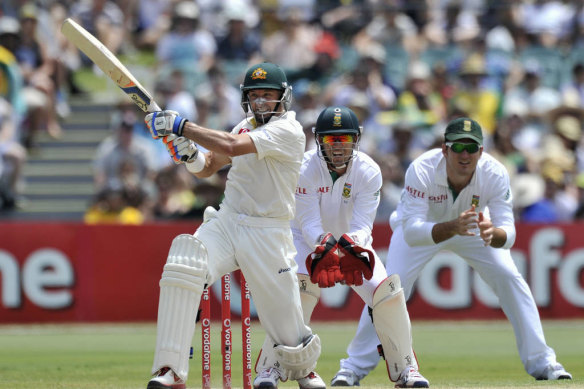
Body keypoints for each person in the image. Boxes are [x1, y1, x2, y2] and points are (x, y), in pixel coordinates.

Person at [333, 117, 573, 384]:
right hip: (425, 230)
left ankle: (543, 362)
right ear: (445, 149)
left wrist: (494, 235)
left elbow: (509, 232)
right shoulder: (422, 168)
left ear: (481, 151)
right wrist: (451, 227)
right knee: (388, 290)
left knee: (510, 277)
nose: (465, 155)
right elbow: (412, 231)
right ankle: (352, 368)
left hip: (472, 228)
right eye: (458, 147)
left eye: (471, 148)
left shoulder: (495, 173)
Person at [143, 62, 320, 389]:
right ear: (246, 99)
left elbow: (228, 146)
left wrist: (182, 127)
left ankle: (304, 369)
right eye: (256, 96)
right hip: (227, 221)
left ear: (284, 98)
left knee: (291, 337)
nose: (262, 102)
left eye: (269, 95)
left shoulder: (289, 130)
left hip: (269, 231)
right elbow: (209, 167)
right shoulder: (244, 125)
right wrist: (190, 155)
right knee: (184, 262)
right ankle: (170, 370)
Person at [255, 106, 430, 389]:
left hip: (353, 242)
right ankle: (270, 368)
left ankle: (405, 369)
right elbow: (308, 221)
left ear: (356, 139)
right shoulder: (304, 168)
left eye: (344, 139)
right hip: (304, 239)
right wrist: (324, 247)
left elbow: (363, 224)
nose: (338, 147)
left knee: (387, 294)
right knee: (298, 295)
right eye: (331, 140)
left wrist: (349, 246)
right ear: (319, 139)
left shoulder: (369, 170)